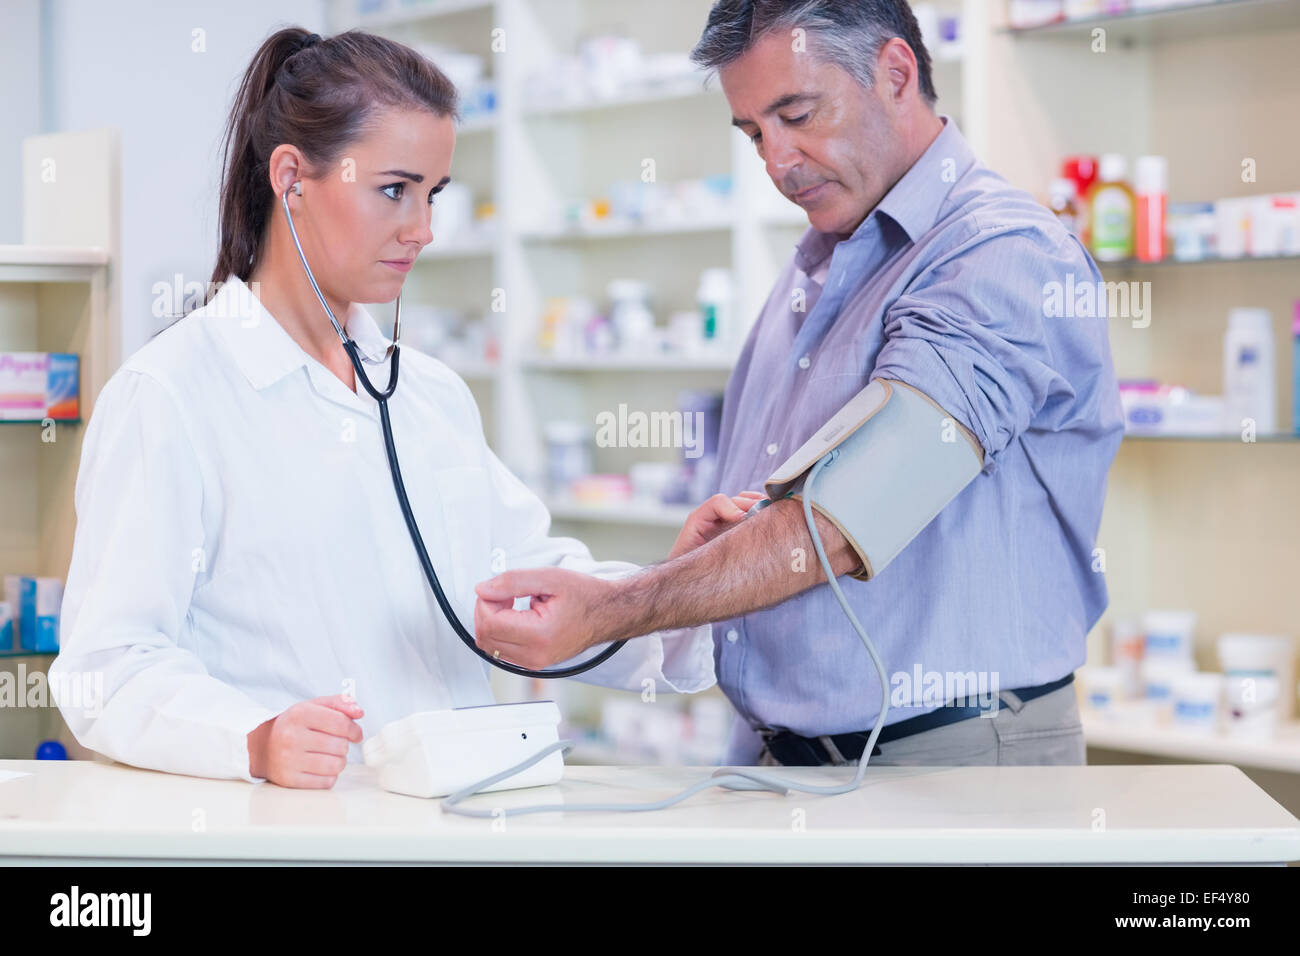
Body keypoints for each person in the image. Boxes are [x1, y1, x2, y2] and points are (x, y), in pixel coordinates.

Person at [49, 27, 732, 790]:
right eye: (393, 190)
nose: (423, 229)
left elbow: (529, 580)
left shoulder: (430, 393)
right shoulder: (172, 395)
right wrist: (250, 738)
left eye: (432, 194)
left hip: (460, 822)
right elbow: (105, 666)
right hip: (301, 834)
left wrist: (669, 587)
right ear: (291, 178)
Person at [471, 0, 1124, 769]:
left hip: (952, 758)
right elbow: (770, 519)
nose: (778, 161)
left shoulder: (1001, 253)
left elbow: (842, 521)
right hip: (789, 761)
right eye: (753, 133)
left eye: (798, 114)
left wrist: (614, 610)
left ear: (895, 72)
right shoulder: (820, 262)